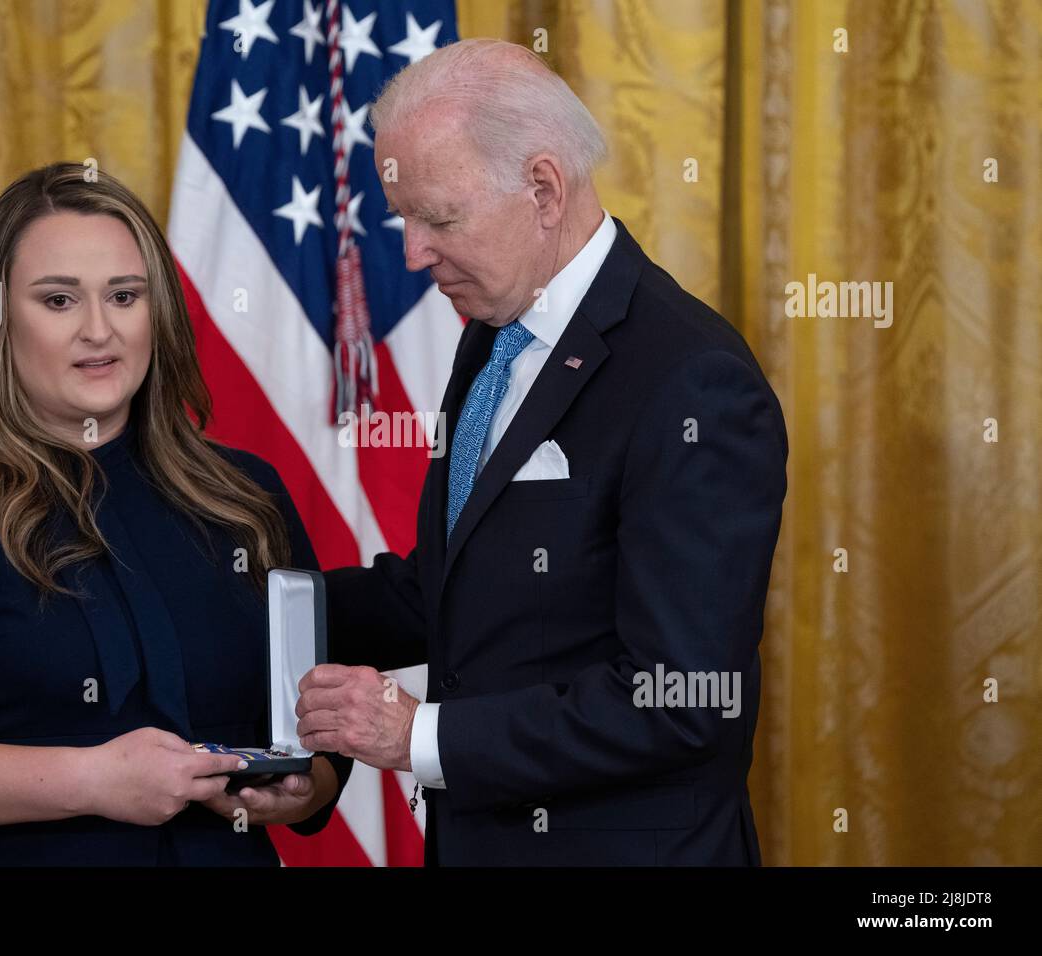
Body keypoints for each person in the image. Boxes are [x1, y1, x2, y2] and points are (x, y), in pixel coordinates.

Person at [295, 38, 788, 865]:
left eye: (439, 218)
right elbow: (462, 587)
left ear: (544, 189)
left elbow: (685, 700)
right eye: (404, 219)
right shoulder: (497, 330)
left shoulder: (692, 380)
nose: (413, 254)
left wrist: (419, 736)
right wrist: (255, 602)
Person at [0, 162, 349, 865]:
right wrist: (94, 781)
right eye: (59, 300)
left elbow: (320, 718)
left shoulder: (247, 495)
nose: (99, 330)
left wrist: (305, 789)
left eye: (124, 296)